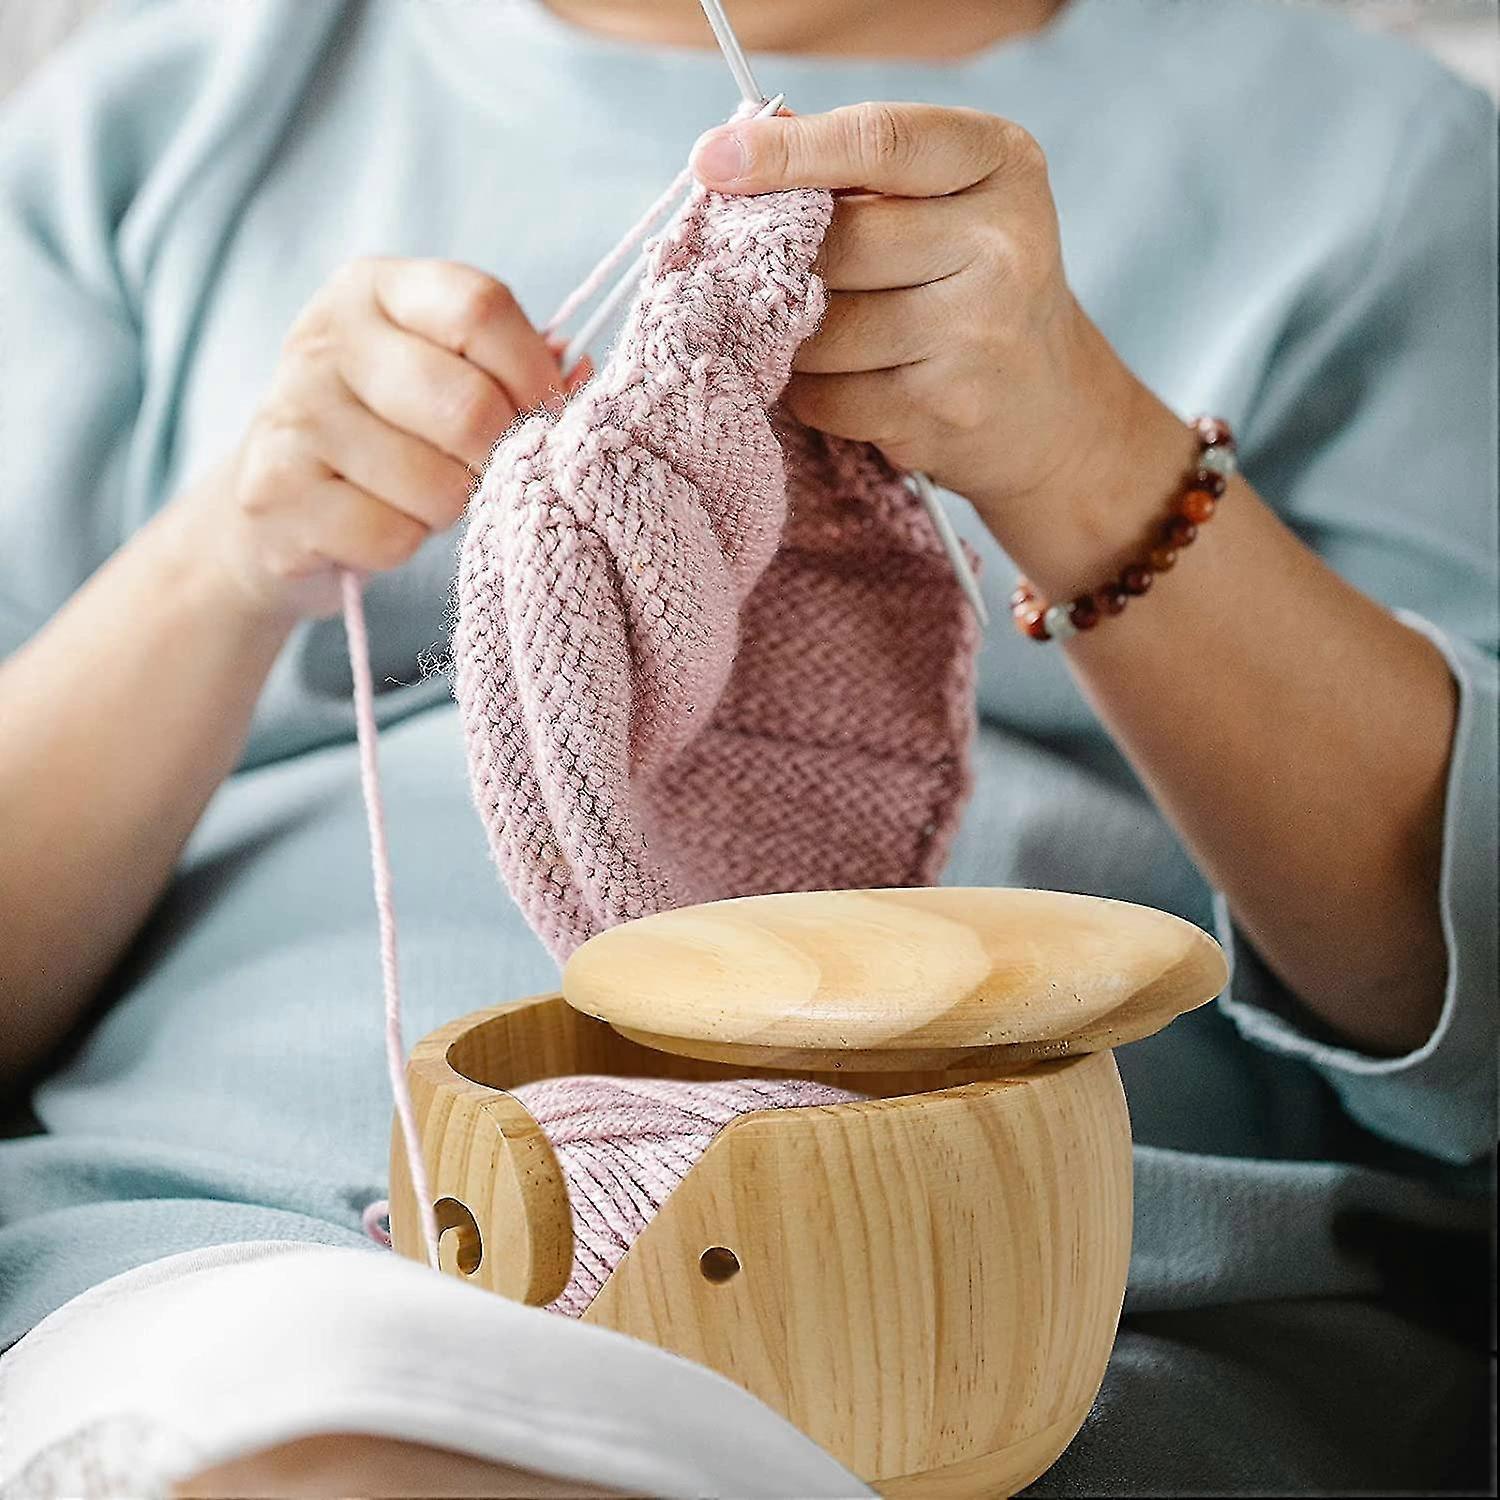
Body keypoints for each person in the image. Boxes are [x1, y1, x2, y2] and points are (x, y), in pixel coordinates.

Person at [0, 0, 1494, 1493]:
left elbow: (1469, 997)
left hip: (1048, 1320)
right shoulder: (153, 127)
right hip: (255, 1269)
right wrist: (225, 552)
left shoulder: (1370, 156)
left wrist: (1090, 456)